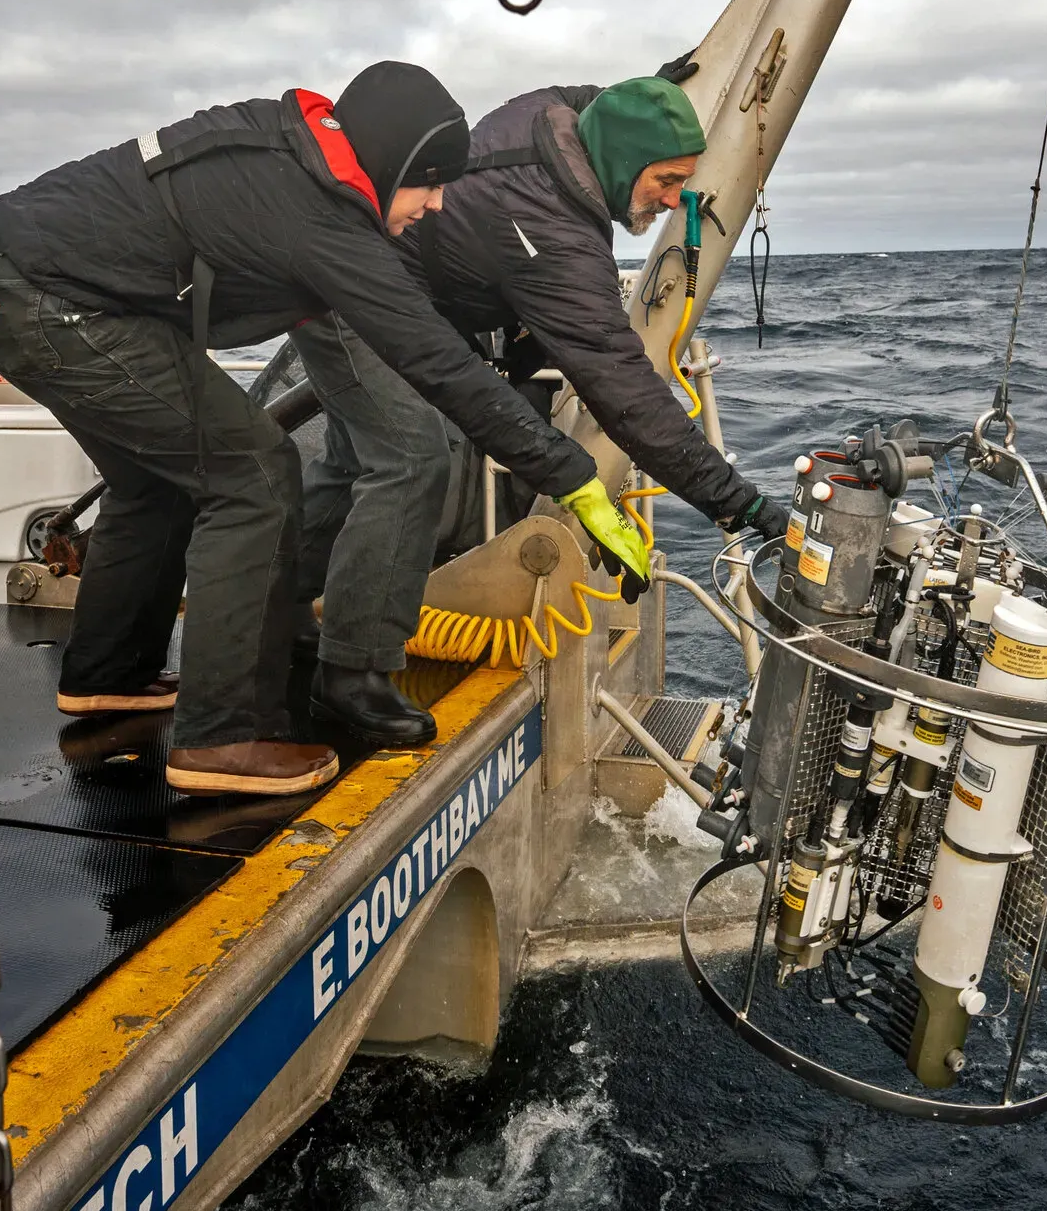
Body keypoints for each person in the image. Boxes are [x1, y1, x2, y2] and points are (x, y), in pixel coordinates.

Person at [0, 62, 649, 798]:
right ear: (397, 165)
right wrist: (574, 479)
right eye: (430, 183)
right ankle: (219, 739)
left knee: (153, 478)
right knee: (253, 475)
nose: (436, 203)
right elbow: (445, 367)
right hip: (52, 303)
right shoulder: (323, 221)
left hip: (16, 276)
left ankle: (107, 677)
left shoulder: (299, 156)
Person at [293, 64, 789, 752]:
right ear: (619, 160)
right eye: (665, 181)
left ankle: (289, 610)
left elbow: (590, 103)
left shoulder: (555, 119)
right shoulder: (551, 228)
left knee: (351, 457)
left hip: (373, 278)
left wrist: (650, 92)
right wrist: (740, 506)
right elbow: (626, 396)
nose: (675, 202)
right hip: (361, 291)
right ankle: (349, 673)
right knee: (410, 458)